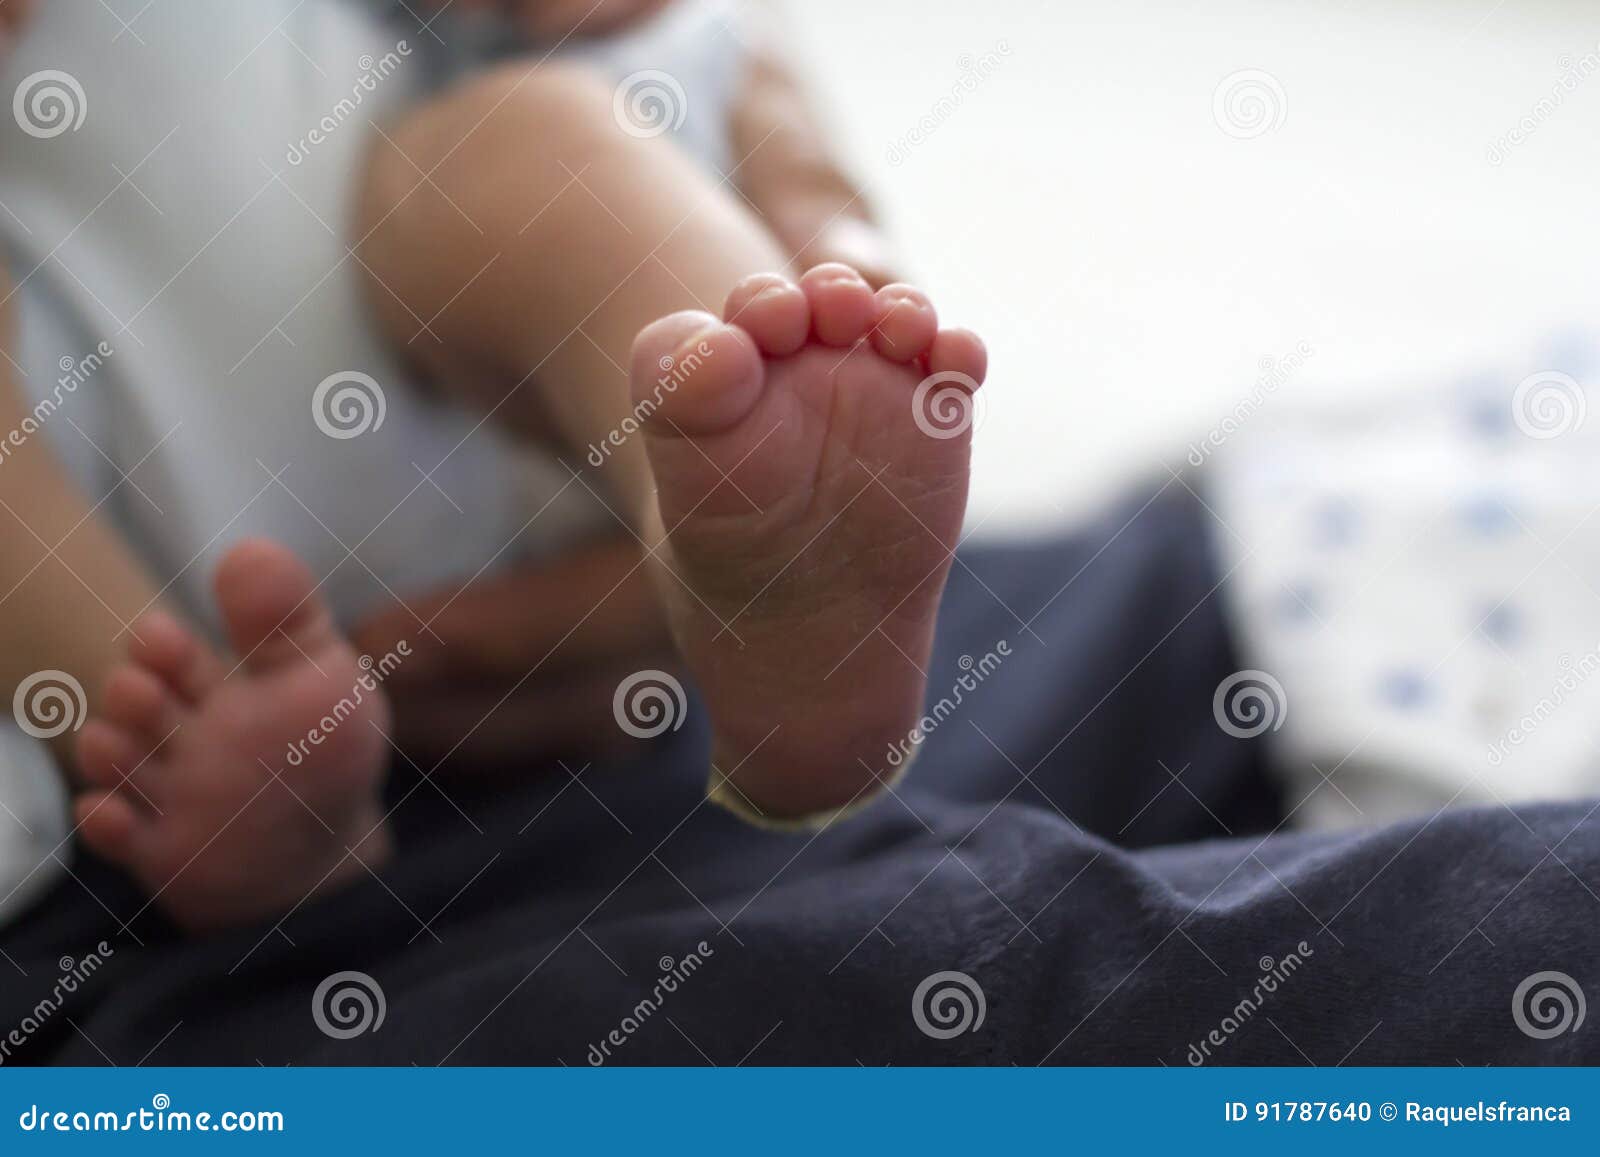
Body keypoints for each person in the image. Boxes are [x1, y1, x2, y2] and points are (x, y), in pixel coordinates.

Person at [0, 0, 982, 930]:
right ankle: (206, 755)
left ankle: (756, 535)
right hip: (107, 475)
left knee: (544, 150)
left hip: (452, 265)